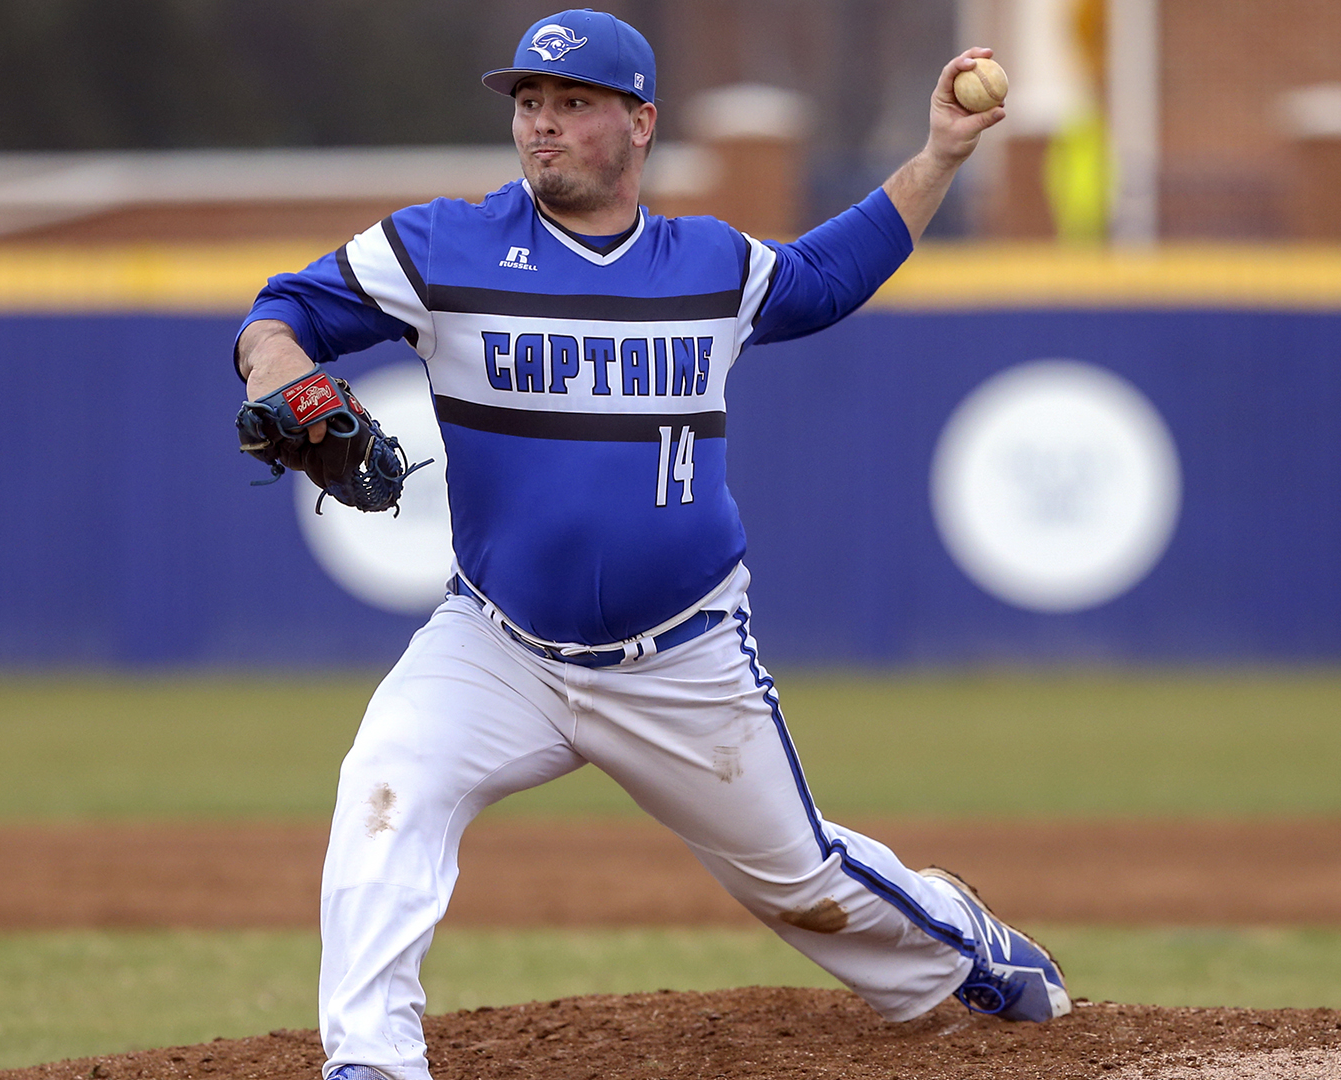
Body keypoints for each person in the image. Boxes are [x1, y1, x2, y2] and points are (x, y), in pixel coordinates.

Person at [234, 11, 1069, 1080]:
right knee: (388, 783)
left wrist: (940, 154)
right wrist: (279, 371)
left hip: (682, 657)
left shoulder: (707, 265)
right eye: (529, 103)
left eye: (573, 103)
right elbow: (280, 312)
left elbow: (828, 275)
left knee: (802, 883)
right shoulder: (442, 246)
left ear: (639, 123)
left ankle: (962, 942)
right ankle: (372, 1061)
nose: (541, 124)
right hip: (498, 644)